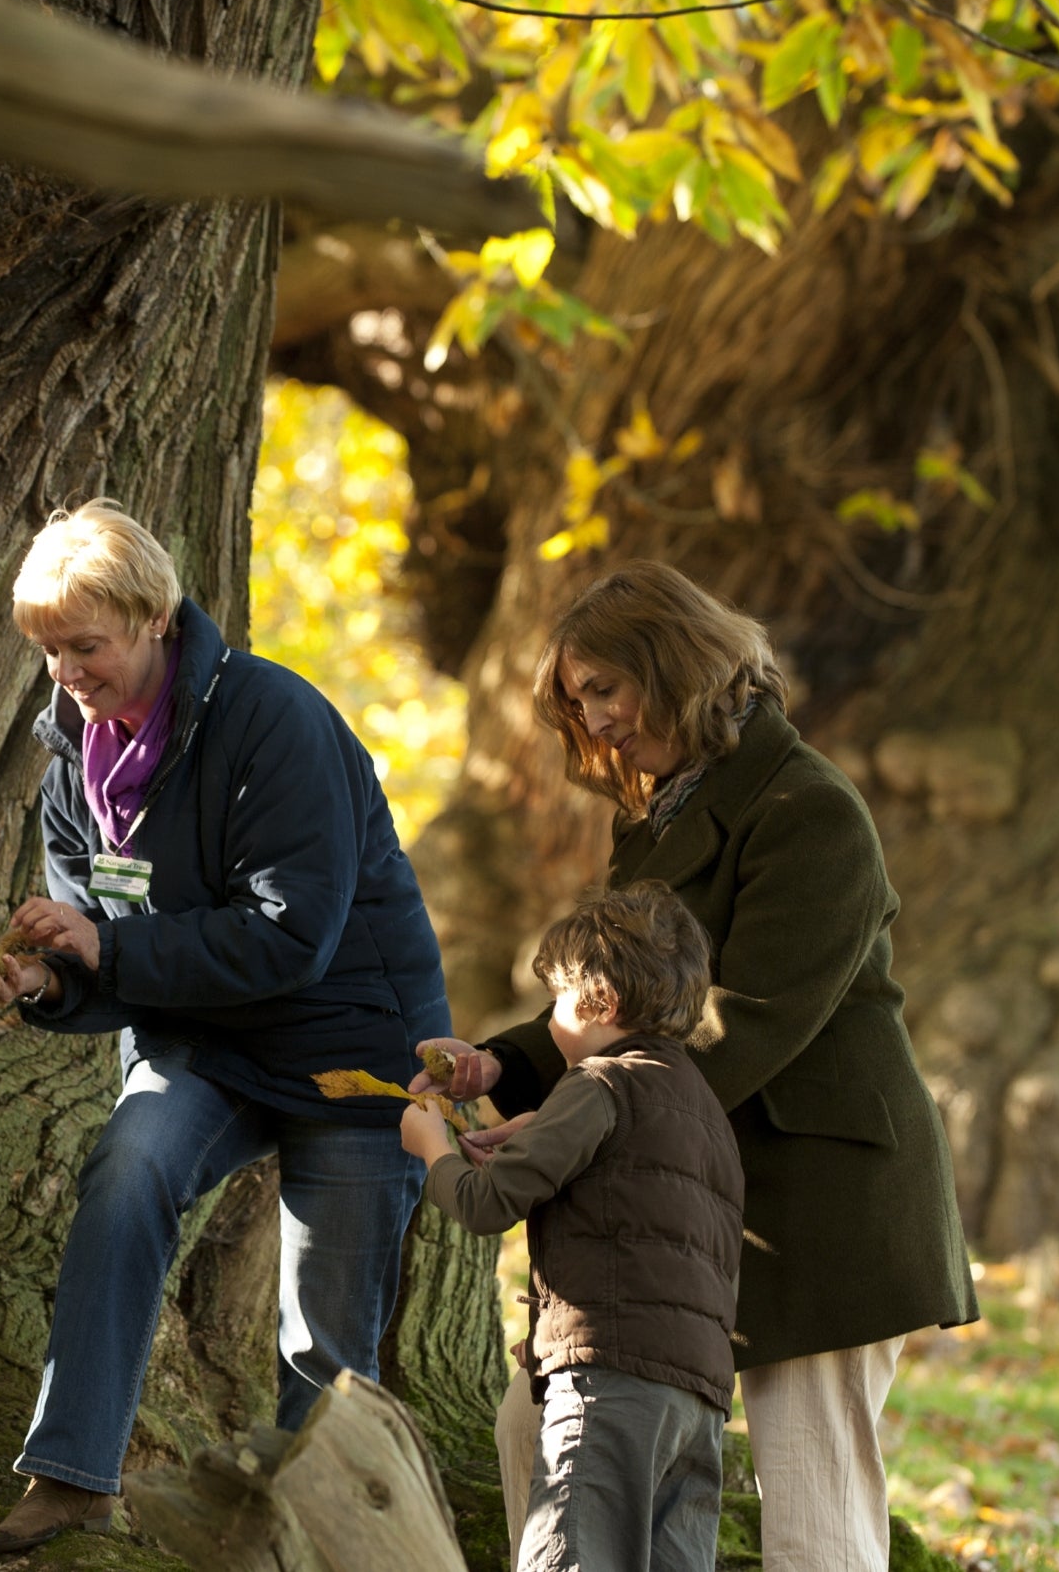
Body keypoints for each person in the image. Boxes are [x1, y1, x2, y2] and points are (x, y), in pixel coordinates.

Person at [416, 562, 977, 1572]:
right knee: (534, 1425)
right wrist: (495, 1063)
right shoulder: (659, 817)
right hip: (679, 1206)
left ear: (678, 668)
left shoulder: (812, 808)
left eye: (607, 688)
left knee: (817, 1511)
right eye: (578, 698)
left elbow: (739, 1025)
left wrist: (556, 1128)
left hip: (821, 1200)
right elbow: (619, 1002)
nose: (596, 720)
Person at [0, 500, 450, 1554]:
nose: (69, 671)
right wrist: (42, 980)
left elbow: (289, 935)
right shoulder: (73, 759)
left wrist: (102, 948)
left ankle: (327, 1541)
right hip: (204, 1044)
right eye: (49, 650)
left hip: (348, 1048)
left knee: (327, 1342)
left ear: (155, 618)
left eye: (89, 644)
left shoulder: (272, 720)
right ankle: (73, 1474)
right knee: (127, 1171)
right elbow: (103, 953)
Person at [403, 883, 741, 1572]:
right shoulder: (703, 1109)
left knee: (576, 1555)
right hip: (699, 1397)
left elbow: (488, 1203)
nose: (549, 1017)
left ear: (600, 1003)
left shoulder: (596, 1084)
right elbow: (648, 1226)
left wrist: (432, 1148)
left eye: (555, 999)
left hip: (610, 1385)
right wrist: (540, 1132)